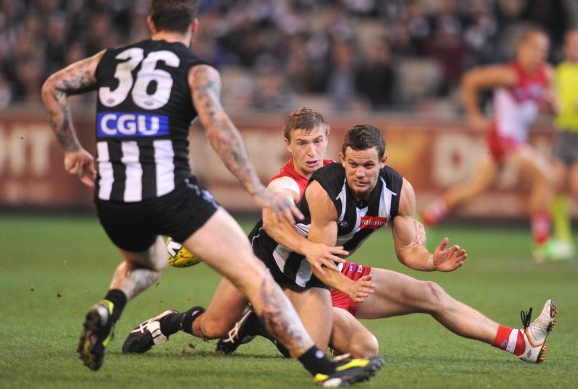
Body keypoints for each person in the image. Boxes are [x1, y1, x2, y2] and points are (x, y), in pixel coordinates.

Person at [40, 2, 383, 386]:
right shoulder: (196, 69)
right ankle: (325, 369)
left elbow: (53, 86)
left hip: (112, 196)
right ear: (195, 26)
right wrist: (255, 188)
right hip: (171, 192)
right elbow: (219, 130)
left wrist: (72, 149)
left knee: (147, 263)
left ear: (150, 22)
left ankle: (110, 305)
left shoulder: (112, 59)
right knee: (256, 275)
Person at [124, 115, 557, 364]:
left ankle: (522, 344)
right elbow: (275, 226)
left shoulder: (391, 186)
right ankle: (180, 320)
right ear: (289, 146)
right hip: (275, 273)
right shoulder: (301, 187)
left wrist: (428, 261)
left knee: (428, 293)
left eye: (318, 142)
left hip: (326, 275)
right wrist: (317, 254)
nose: (312, 151)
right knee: (212, 327)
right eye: (302, 143)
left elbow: (407, 248)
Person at [420, 26, 559, 261]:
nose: (539, 54)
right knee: (544, 179)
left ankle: (427, 217)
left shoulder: (545, 75)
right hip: (505, 141)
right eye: (535, 48)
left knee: (474, 189)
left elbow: (553, 110)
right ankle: (542, 245)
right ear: (521, 49)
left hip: (506, 142)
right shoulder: (510, 75)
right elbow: (471, 79)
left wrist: (552, 106)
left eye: (543, 50)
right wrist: (474, 114)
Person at [549, 29, 578, 260]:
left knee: (575, 187)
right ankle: (563, 238)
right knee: (556, 184)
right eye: (572, 44)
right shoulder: (559, 71)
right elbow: (554, 101)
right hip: (564, 132)